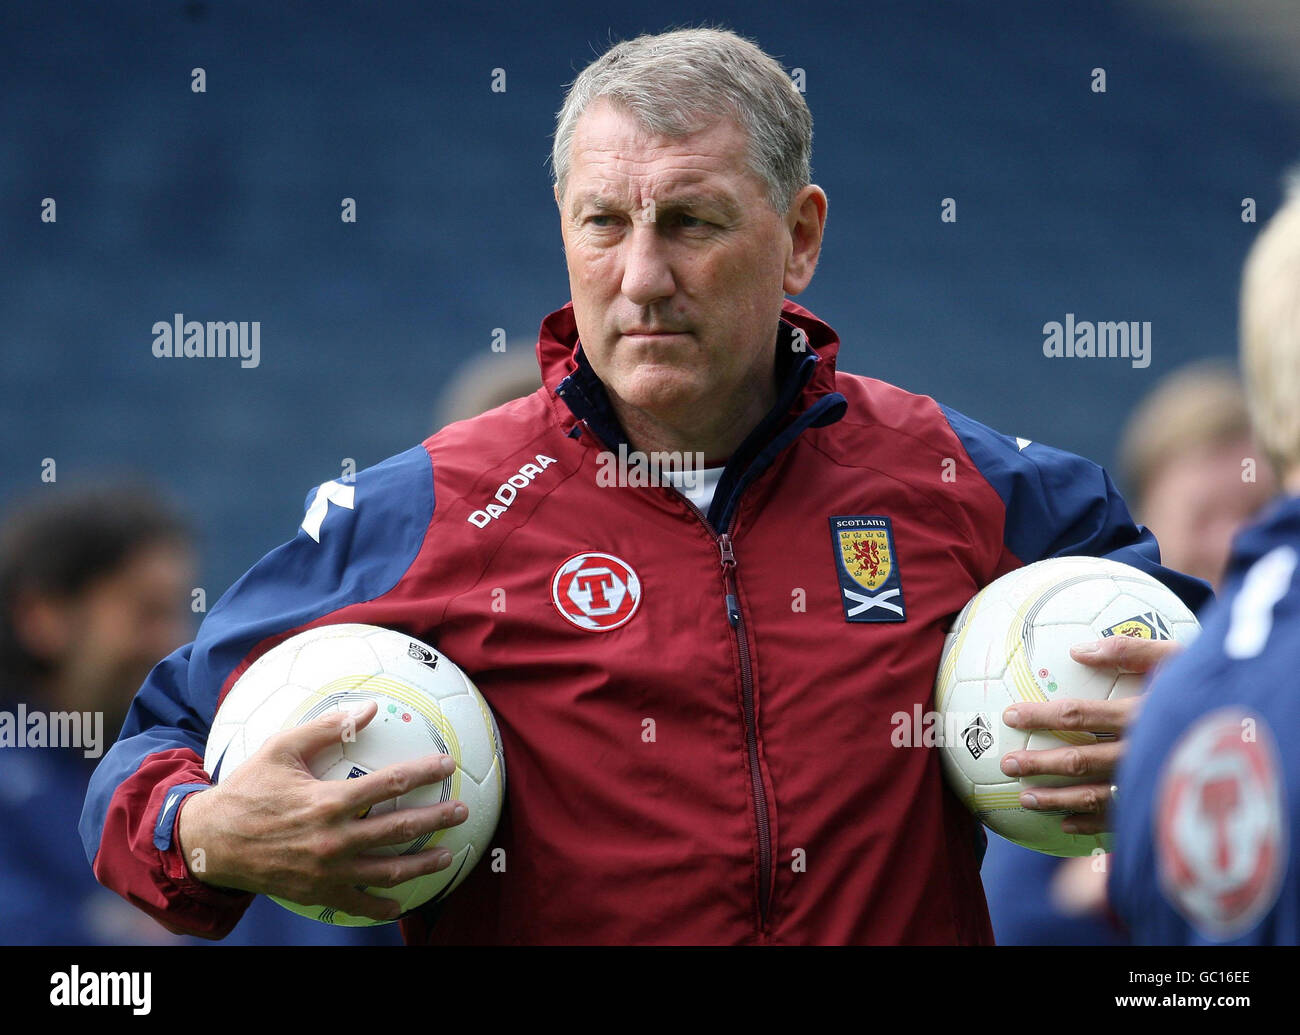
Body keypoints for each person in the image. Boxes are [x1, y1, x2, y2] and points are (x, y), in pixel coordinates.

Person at [81, 27, 1208, 945]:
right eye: (603, 223)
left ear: (799, 238)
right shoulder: (433, 505)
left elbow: (1227, 656)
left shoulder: (949, 477)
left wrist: (1171, 719)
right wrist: (212, 833)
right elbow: (155, 743)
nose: (641, 277)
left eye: (690, 221)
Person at [0, 487, 399, 945]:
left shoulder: (227, 759)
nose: (171, 643)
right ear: (43, 616)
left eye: (176, 611)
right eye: (146, 614)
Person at [980, 364, 1275, 945]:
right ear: (1146, 518)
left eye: (1256, 512)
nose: (1232, 542)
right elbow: (1019, 917)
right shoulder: (1086, 667)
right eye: (1204, 516)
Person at [1110, 187, 1300, 944]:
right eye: (1201, 517)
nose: (1228, 546)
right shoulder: (1123, 711)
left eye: (1244, 515)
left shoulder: (1175, 710)